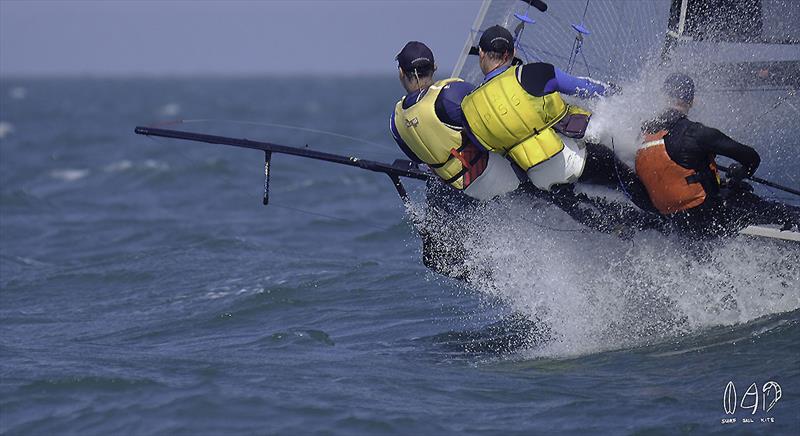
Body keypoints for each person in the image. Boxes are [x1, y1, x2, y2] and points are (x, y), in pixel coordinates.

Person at [459, 25, 661, 233]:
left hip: (540, 180)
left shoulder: (468, 110)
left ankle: (618, 230)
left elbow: (488, 154)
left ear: (481, 53)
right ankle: (662, 218)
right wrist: (619, 93)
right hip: (573, 159)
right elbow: (587, 88)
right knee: (621, 176)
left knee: (574, 203)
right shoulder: (532, 73)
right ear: (511, 54)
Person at [637, 72, 798, 236]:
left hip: (676, 221)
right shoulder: (698, 133)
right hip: (710, 218)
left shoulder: (642, 137)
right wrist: (740, 173)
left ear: (664, 98)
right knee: (754, 199)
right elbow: (751, 158)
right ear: (692, 102)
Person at [390, 41, 520, 202]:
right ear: (434, 67)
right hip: (498, 174)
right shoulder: (451, 94)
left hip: (463, 188)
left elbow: (418, 158)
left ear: (401, 73)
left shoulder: (396, 121)